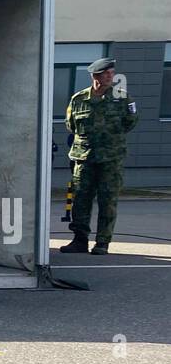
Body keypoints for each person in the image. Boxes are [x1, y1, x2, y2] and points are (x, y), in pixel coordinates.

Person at [61, 56, 139, 255]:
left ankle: (102, 242)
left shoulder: (122, 98)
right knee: (80, 200)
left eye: (112, 73)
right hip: (84, 158)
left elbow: (130, 123)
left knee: (108, 201)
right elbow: (71, 125)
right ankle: (79, 240)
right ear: (95, 75)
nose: (110, 76)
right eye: (106, 73)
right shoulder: (78, 99)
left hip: (110, 160)